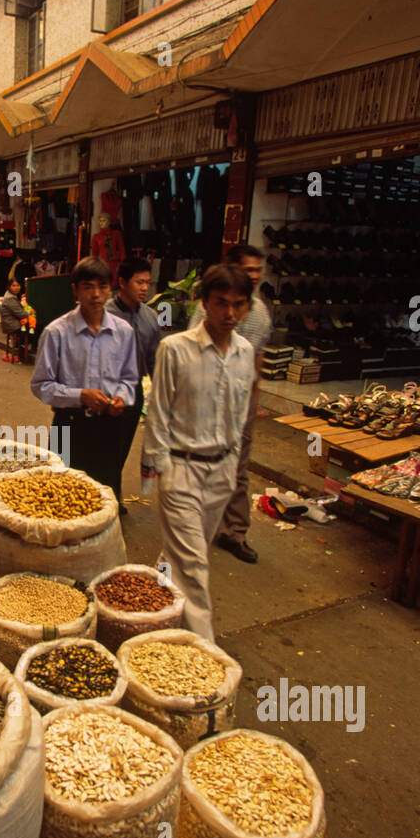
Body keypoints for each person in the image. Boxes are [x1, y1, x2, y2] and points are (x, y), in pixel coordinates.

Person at [141, 262, 256, 641]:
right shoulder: (175, 349)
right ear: (203, 302)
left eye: (239, 305)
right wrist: (161, 469)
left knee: (181, 555)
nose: (230, 314)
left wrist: (234, 463)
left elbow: (239, 416)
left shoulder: (244, 352)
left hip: (221, 471)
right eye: (221, 303)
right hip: (182, 470)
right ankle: (203, 646)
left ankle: (153, 601)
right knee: (194, 565)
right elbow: (158, 413)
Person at [188, 244, 272, 563]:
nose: (254, 276)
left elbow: (258, 357)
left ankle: (234, 532)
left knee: (237, 468)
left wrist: (253, 400)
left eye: (257, 271)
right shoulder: (208, 308)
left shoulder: (260, 312)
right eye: (248, 270)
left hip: (241, 401)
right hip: (207, 400)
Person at [30, 257, 138, 500]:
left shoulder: (123, 332)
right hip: (69, 425)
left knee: (103, 497)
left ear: (111, 289)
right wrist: (81, 395)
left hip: (109, 427)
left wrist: (121, 397)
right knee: (61, 497)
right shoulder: (56, 332)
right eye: (88, 287)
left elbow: (130, 378)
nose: (96, 294)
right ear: (75, 290)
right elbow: (40, 385)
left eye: (102, 286)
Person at [106, 258, 162, 514]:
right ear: (122, 283)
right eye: (139, 282)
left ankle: (112, 496)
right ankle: (104, 499)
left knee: (121, 449)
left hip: (134, 392)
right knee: (105, 447)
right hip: (105, 392)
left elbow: (153, 360)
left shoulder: (151, 318)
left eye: (147, 283)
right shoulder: (104, 313)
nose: (144, 288)